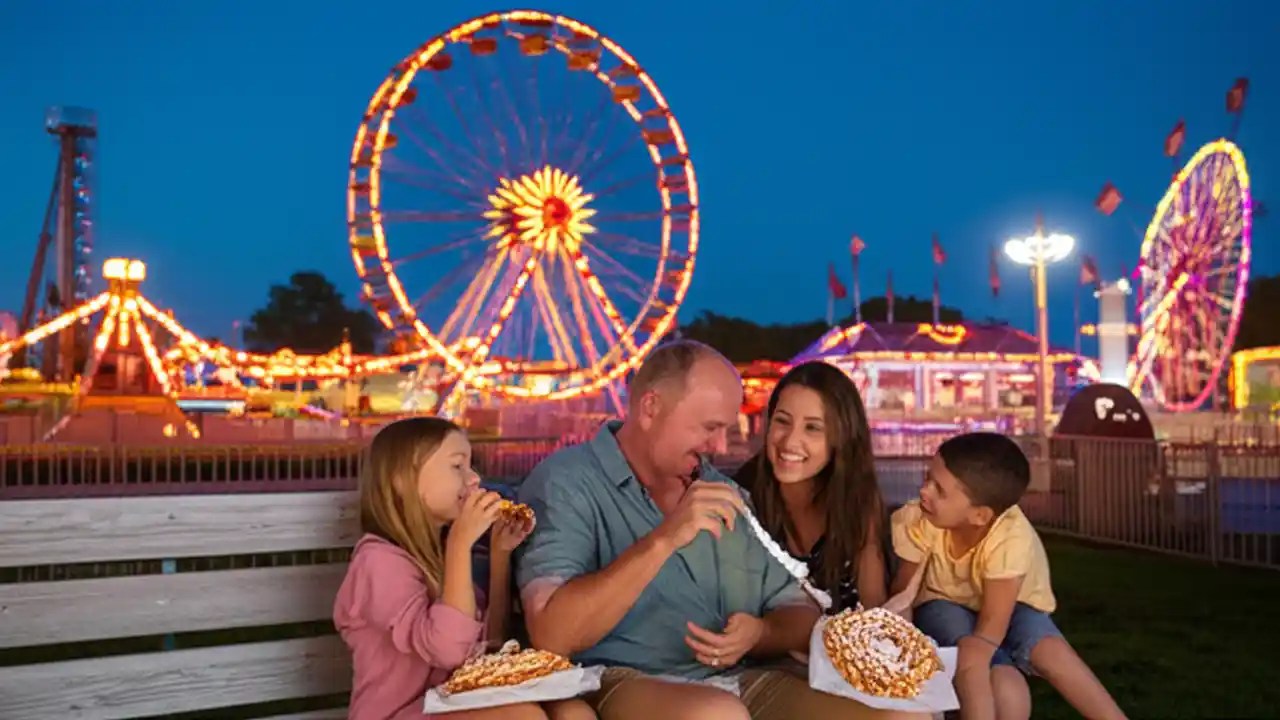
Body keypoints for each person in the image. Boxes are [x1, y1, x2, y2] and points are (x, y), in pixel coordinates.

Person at [516, 340, 925, 720]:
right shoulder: (567, 483)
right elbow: (552, 634)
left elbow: (800, 612)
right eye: (710, 427)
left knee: (904, 713)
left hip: (740, 680)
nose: (721, 445)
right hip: (621, 679)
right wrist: (665, 538)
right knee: (717, 714)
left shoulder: (725, 492)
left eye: (727, 429)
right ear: (650, 407)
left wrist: (762, 632)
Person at [333, 417, 596, 720]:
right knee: (522, 717)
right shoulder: (377, 563)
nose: (474, 479)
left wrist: (499, 557)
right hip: (397, 714)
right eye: (457, 466)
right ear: (401, 480)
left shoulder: (440, 556)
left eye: (471, 466)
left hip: (452, 704)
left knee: (573, 712)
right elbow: (448, 650)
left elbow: (487, 650)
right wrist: (460, 544)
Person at [889, 432, 1125, 720]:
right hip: (943, 599)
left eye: (939, 489)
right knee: (978, 662)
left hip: (1010, 603)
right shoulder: (919, 520)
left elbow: (992, 624)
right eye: (928, 478)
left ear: (980, 516)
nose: (924, 491)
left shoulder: (1010, 537)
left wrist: (978, 653)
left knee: (1046, 649)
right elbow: (904, 591)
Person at [734, 361, 888, 613]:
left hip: (836, 649)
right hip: (764, 647)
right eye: (782, 421)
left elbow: (875, 610)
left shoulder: (857, 498)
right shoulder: (743, 496)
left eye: (813, 428)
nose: (791, 441)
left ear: (842, 436)